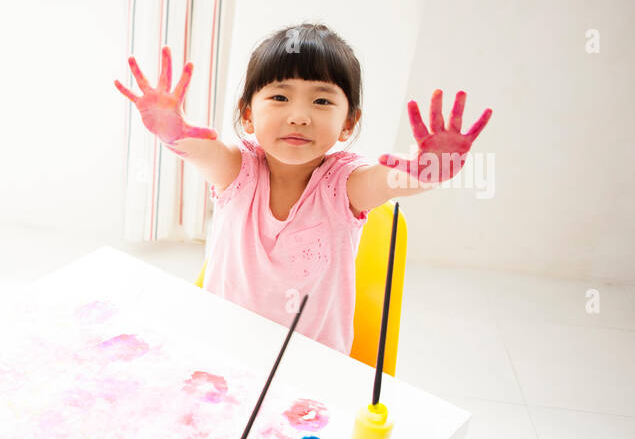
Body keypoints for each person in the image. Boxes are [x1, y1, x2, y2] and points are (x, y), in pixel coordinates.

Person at [115, 24, 492, 354]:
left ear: (348, 123)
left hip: (310, 367)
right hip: (221, 347)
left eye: (322, 100)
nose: (299, 115)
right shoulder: (238, 170)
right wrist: (172, 131)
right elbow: (201, 152)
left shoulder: (345, 186)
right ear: (248, 113)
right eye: (280, 97)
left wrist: (429, 168)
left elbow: (389, 180)